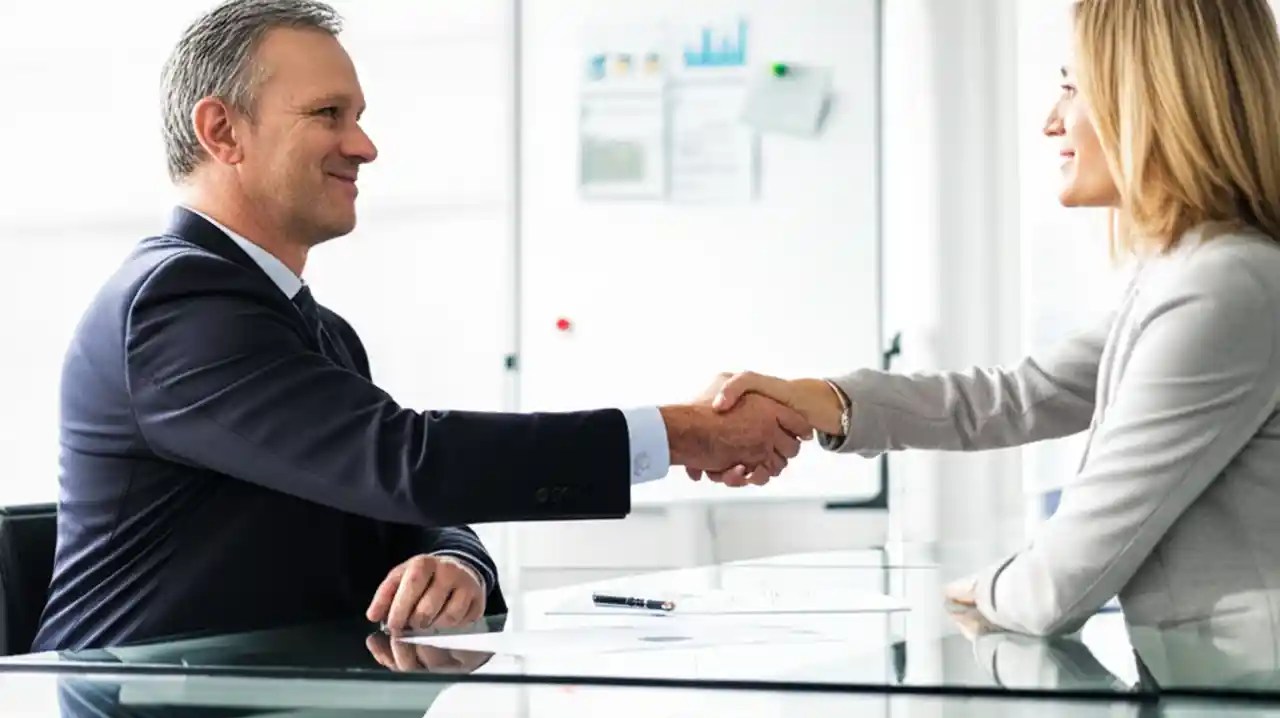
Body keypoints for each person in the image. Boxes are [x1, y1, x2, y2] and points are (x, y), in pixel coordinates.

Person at [33, 0, 811, 652]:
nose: (364, 146)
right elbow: (408, 463)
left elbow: (407, 505)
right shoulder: (176, 303)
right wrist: (678, 434)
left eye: (360, 116)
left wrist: (453, 560)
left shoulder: (315, 327)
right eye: (327, 115)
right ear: (222, 131)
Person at [704, 0, 1280, 636]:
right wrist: (815, 399)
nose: (1050, 122)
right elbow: (1022, 395)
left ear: (1148, 97)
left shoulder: (1226, 287)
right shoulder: (1196, 271)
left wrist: (985, 588)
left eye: (1070, 88)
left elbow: (1056, 586)